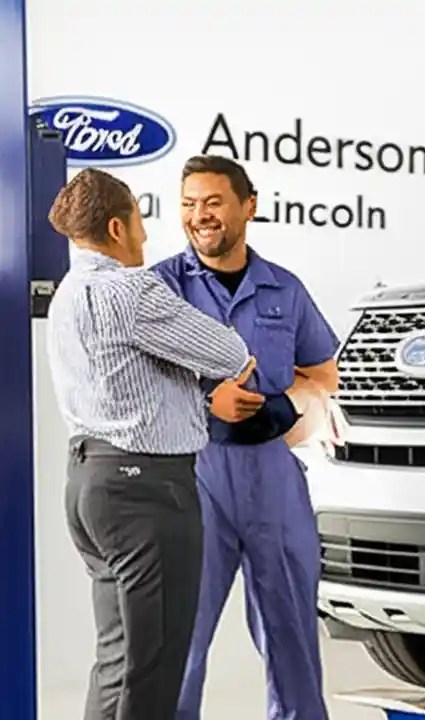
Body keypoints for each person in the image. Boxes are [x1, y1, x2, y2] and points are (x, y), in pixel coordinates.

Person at [45, 168, 267, 720]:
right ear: (118, 227)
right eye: (142, 221)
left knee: (118, 661)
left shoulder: (69, 292)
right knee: (155, 670)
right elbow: (228, 352)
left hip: (90, 486)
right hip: (147, 492)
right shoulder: (130, 290)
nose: (147, 237)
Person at [152, 155, 341, 720]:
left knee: (292, 637)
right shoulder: (161, 286)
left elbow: (325, 373)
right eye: (188, 204)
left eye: (212, 202)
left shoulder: (284, 288)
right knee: (180, 634)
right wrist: (207, 401)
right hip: (193, 474)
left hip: (272, 475)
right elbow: (136, 379)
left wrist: (286, 405)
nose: (199, 216)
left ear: (247, 206)